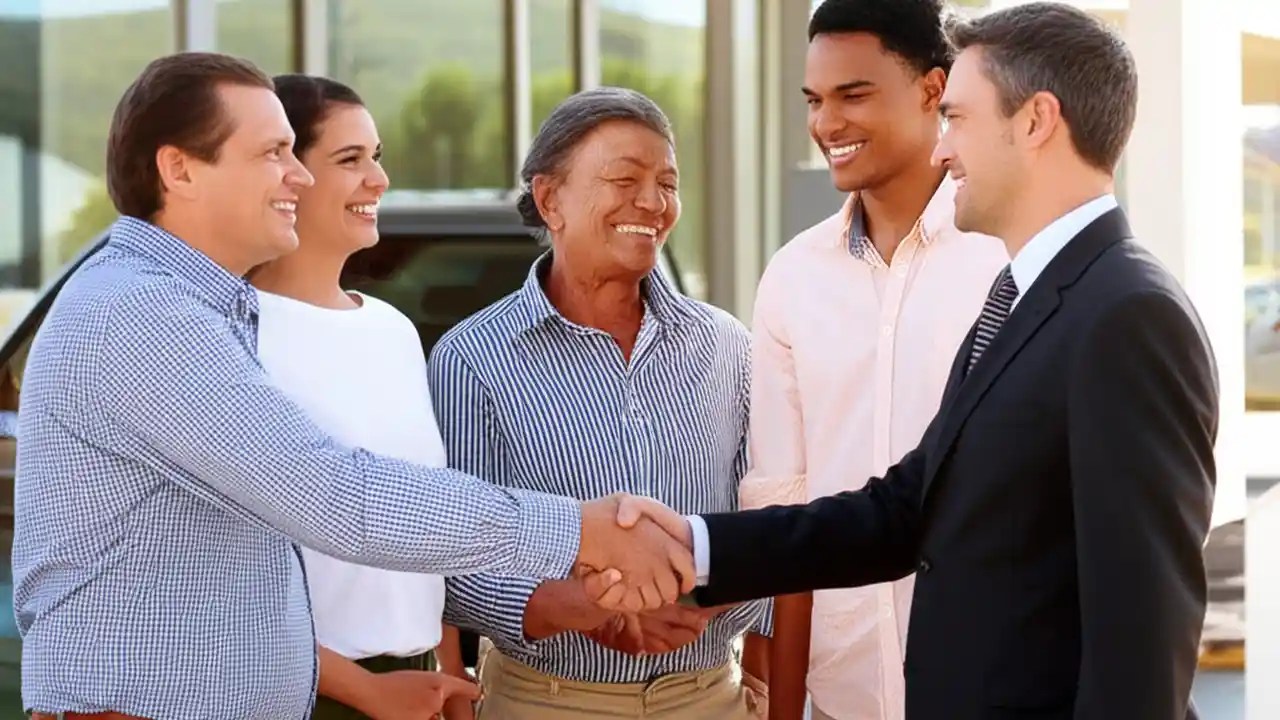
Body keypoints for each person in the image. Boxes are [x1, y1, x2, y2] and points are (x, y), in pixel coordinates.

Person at [11, 53, 694, 720]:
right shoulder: (142, 316)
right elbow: (339, 497)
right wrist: (576, 530)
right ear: (179, 170)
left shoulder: (199, 311)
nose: (297, 178)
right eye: (273, 154)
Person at [625, 4, 1219, 719]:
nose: (944, 151)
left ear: (1035, 122)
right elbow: (905, 511)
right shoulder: (1020, 296)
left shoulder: (1129, 314)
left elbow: (1142, 634)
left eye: (959, 119)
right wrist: (695, 544)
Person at [427, 87, 770, 720]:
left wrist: (700, 597)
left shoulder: (728, 346)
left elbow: (771, 521)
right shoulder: (470, 360)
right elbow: (452, 571)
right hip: (544, 704)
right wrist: (594, 609)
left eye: (667, 182)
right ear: (549, 198)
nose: (653, 201)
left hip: (712, 701)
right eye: (624, 178)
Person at [743, 2, 1005, 718]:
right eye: (815, 101)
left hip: (989, 690)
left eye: (853, 95)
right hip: (841, 697)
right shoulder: (792, 279)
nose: (827, 124)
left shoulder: (1007, 261)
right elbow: (786, 513)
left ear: (933, 90)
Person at [247, 74, 478, 719]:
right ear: (286, 174)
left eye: (377, 157)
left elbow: (427, 520)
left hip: (414, 687)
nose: (378, 180)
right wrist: (365, 692)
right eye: (350, 160)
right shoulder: (235, 335)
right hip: (305, 695)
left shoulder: (393, 330)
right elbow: (222, 578)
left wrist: (447, 676)